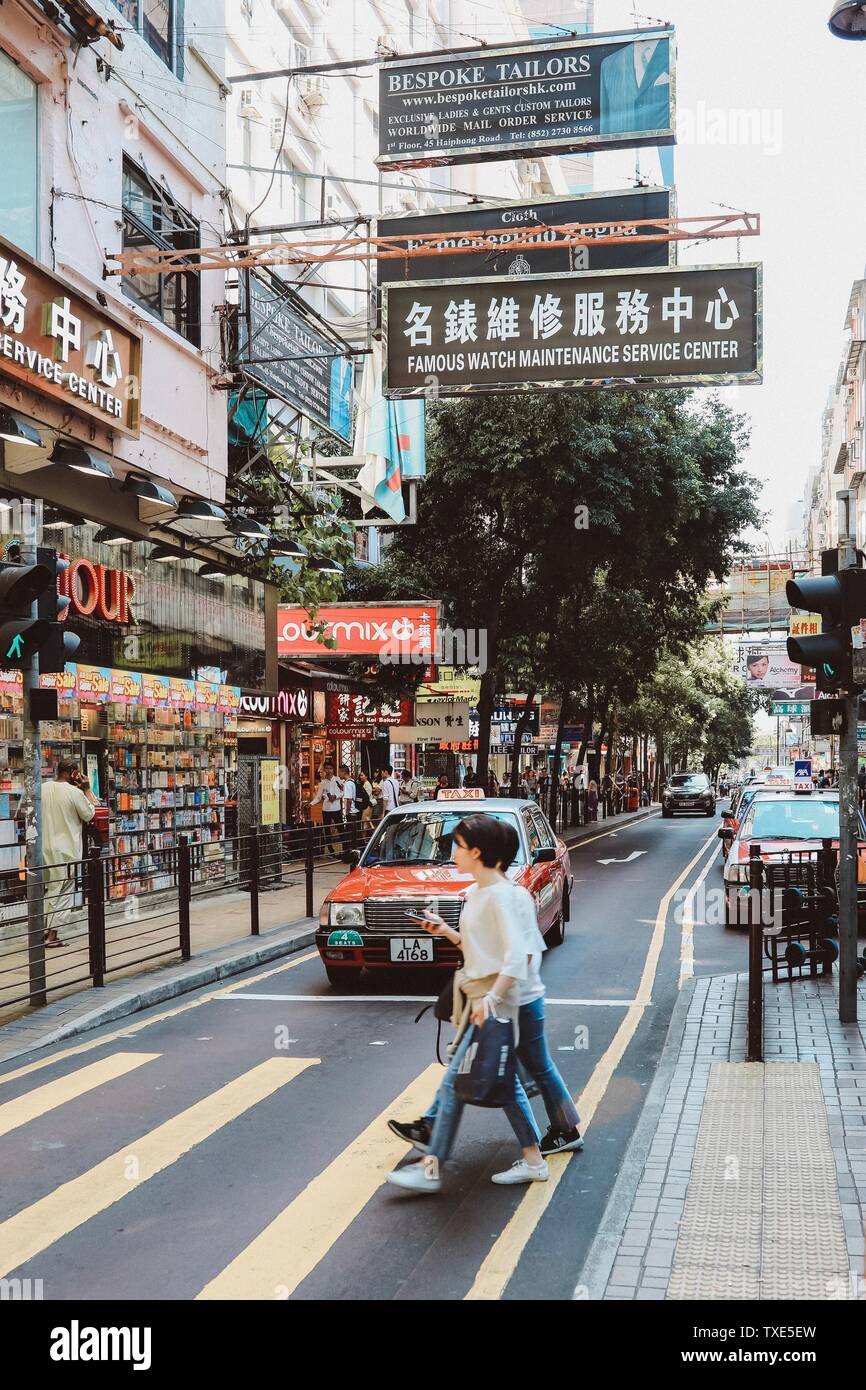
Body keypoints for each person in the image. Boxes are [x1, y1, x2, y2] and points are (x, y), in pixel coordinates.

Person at [389, 819, 583, 1163]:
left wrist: (492, 1000)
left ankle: (440, 1133)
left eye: (458, 845)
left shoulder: (504, 896)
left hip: (512, 999)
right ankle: (562, 1131)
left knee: (479, 1071)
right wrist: (446, 932)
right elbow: (484, 950)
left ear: (478, 852)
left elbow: (519, 955)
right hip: (504, 997)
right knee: (534, 1067)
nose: (452, 852)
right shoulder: (482, 892)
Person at [42, 759, 98, 947]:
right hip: (67, 850)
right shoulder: (74, 793)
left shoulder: (42, 788)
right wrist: (87, 789)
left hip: (45, 848)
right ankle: (51, 935)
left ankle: (44, 931)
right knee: (64, 892)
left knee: (51, 889)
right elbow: (90, 814)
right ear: (74, 773)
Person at [309, 761, 344, 857]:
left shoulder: (338, 780)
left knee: (341, 829)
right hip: (326, 809)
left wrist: (335, 796)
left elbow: (342, 792)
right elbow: (318, 797)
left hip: (336, 808)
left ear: (333, 770)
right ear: (324, 770)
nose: (329, 770)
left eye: (330, 768)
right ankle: (331, 851)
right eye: (327, 768)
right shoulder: (322, 783)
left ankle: (345, 849)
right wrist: (311, 804)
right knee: (327, 831)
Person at [338, 764, 360, 848]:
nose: (339, 774)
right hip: (356, 812)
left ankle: (350, 853)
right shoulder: (352, 781)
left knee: (349, 836)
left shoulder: (347, 784)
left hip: (351, 813)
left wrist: (346, 812)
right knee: (355, 835)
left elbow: (349, 800)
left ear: (344, 772)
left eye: (339, 772)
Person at [356, 771, 375, 835]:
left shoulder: (366, 784)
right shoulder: (366, 783)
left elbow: (366, 796)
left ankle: (372, 829)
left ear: (366, 776)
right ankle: (366, 839)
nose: (360, 777)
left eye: (362, 775)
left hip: (367, 805)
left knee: (364, 822)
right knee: (365, 823)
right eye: (360, 775)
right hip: (368, 804)